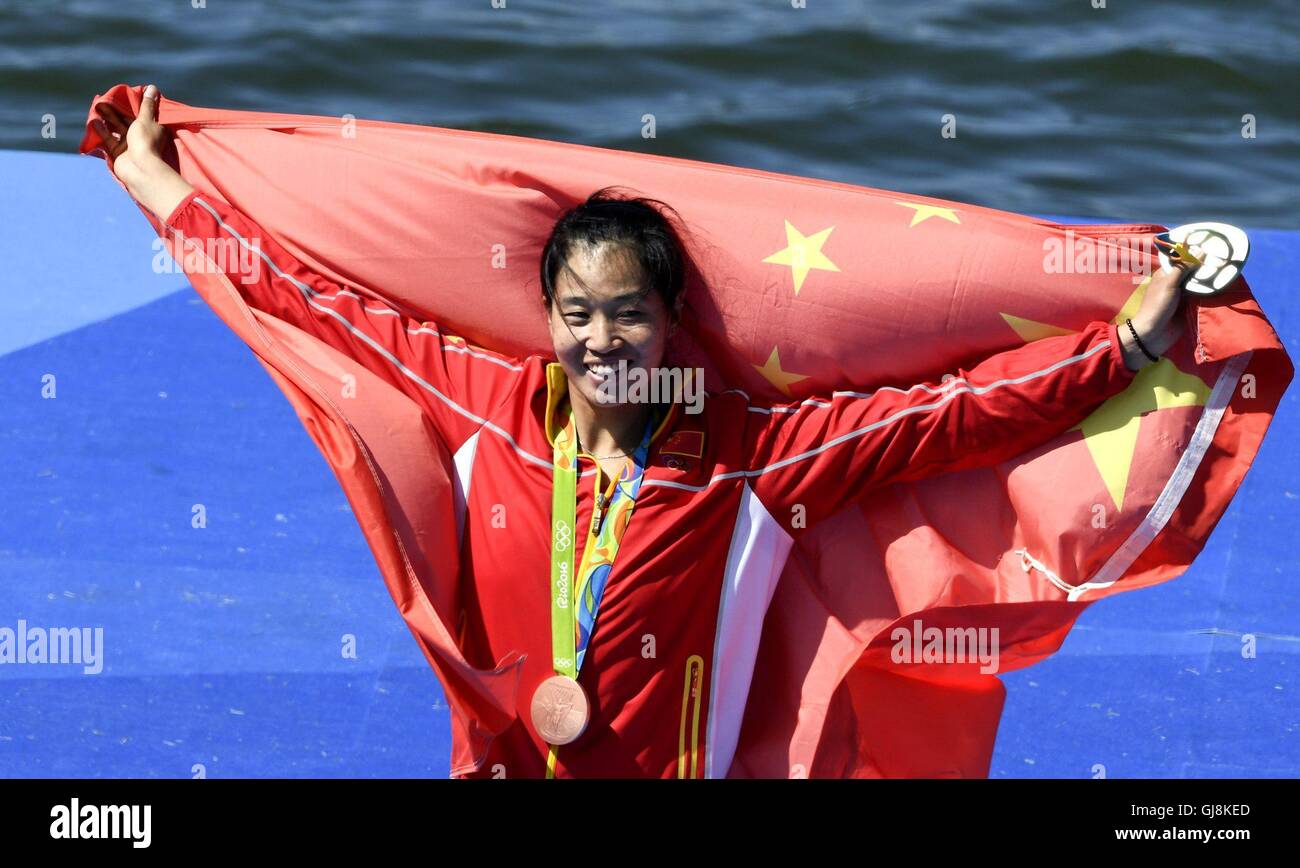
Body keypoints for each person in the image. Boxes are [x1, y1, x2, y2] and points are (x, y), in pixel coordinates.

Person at [93, 84, 1192, 779]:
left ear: (671, 325)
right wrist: (158, 184)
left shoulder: (746, 456)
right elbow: (310, 298)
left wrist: (1123, 352)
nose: (602, 340)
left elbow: (944, 420)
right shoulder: (492, 405)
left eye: (628, 312)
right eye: (577, 314)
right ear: (550, 322)